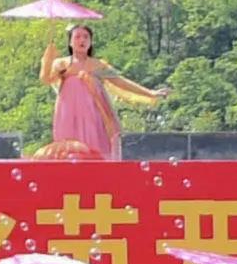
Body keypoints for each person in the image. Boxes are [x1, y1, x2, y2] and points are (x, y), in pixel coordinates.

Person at [37, 23, 161, 164]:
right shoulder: (61, 64)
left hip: (92, 111)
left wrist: (150, 93)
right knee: (67, 148)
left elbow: (120, 82)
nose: (82, 40)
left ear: (91, 42)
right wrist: (47, 59)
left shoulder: (97, 65)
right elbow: (46, 79)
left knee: (94, 144)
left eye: (86, 37)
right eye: (77, 37)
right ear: (70, 42)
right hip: (67, 112)